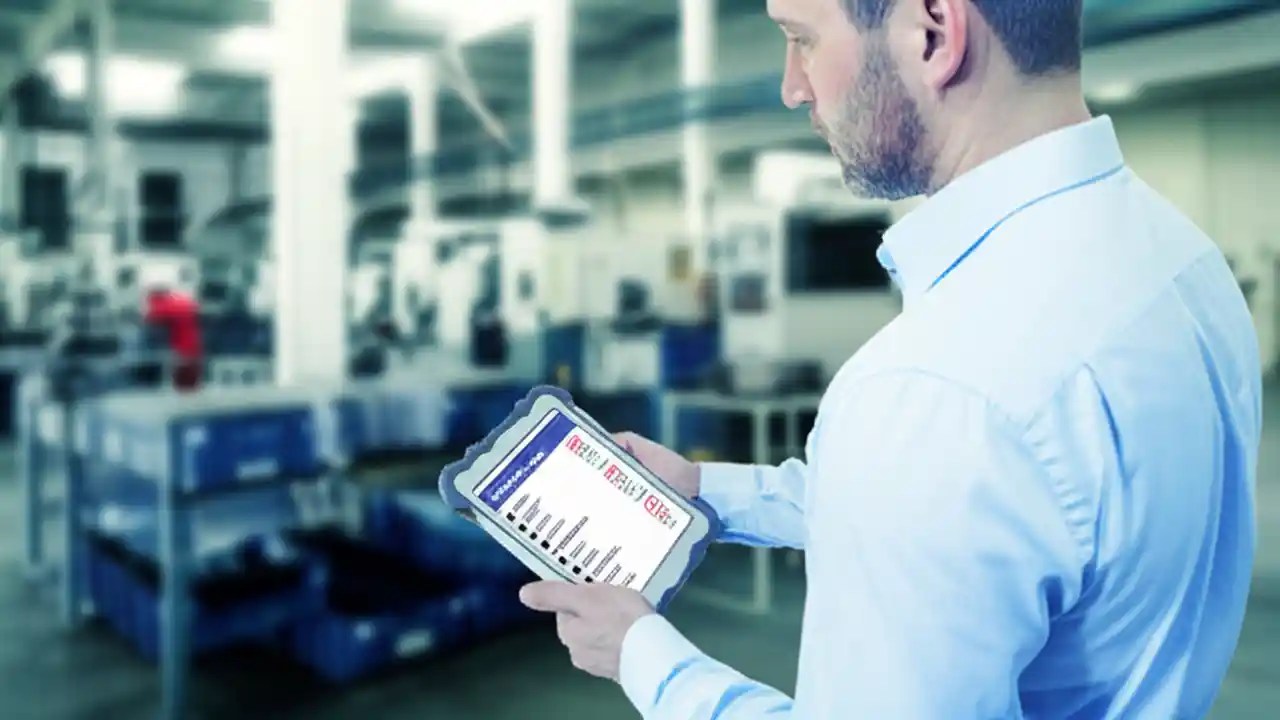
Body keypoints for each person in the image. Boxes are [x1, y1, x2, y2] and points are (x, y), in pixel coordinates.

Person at [518, 0, 1263, 717]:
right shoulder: (1184, 264)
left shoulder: (934, 391)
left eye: (801, 38)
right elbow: (981, 513)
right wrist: (706, 491)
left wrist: (640, 652)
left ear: (933, 32)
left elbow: (952, 470)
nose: (790, 86)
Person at [145, 286, 204, 391]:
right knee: (191, 382)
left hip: (181, 350)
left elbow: (151, 317)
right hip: (194, 346)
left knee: (181, 382)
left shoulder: (164, 306)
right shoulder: (183, 301)